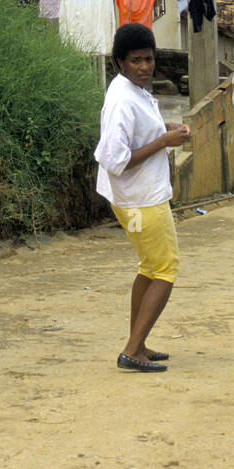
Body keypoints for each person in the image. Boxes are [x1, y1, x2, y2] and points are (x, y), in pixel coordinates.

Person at [94, 23, 190, 373]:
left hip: (136, 198)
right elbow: (116, 159)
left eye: (149, 59)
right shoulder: (122, 99)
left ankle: (139, 342)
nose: (144, 67)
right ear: (120, 61)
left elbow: (140, 133)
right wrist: (164, 142)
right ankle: (133, 349)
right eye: (136, 61)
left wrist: (167, 131)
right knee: (165, 269)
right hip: (141, 199)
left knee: (149, 268)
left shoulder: (131, 90)